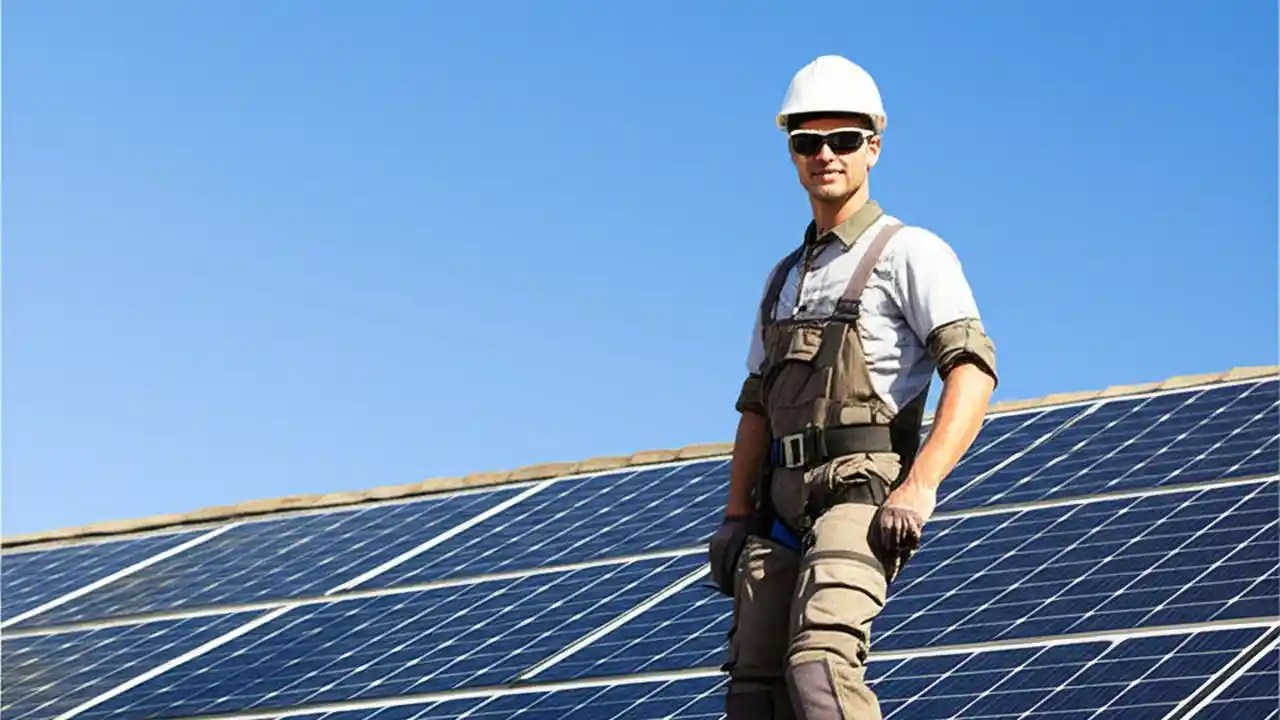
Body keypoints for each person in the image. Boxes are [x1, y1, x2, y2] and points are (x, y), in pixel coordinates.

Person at [707, 55, 1000, 720]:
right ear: (792, 154)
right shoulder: (783, 277)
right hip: (777, 512)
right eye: (807, 143)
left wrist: (920, 486)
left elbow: (972, 371)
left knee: (820, 667)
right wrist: (733, 515)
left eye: (843, 140)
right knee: (753, 692)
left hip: (857, 495)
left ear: (874, 146)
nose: (825, 155)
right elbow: (756, 407)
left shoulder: (910, 253)